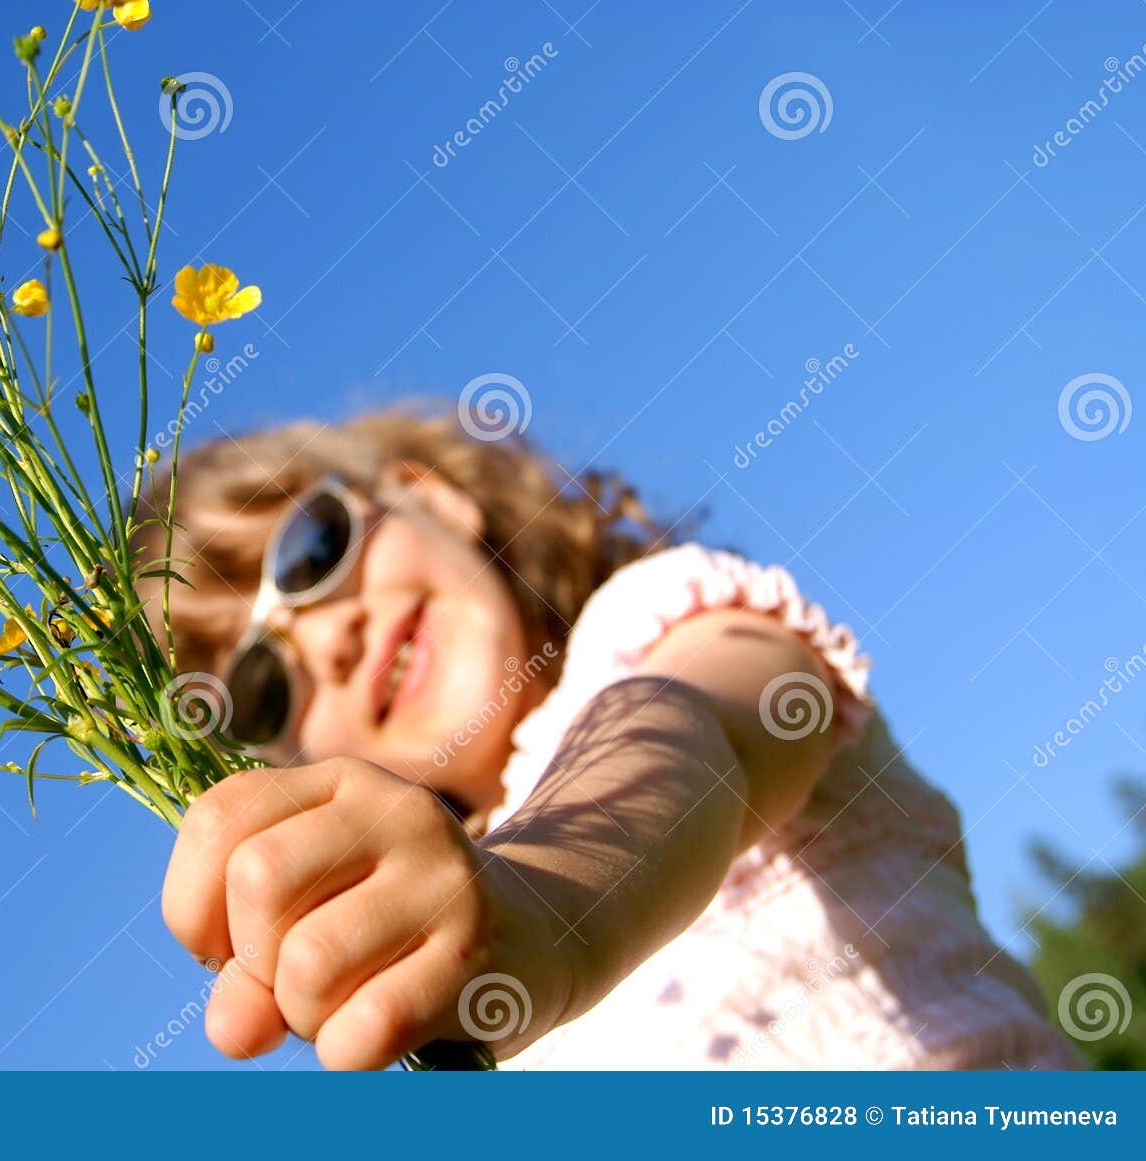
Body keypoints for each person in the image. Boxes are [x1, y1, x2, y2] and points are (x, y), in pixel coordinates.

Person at [134, 411, 1080, 1070]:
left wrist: (540, 900)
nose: (324, 637)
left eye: (313, 550)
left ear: (432, 497)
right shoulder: (438, 984)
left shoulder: (660, 628)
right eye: (259, 683)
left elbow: (698, 728)